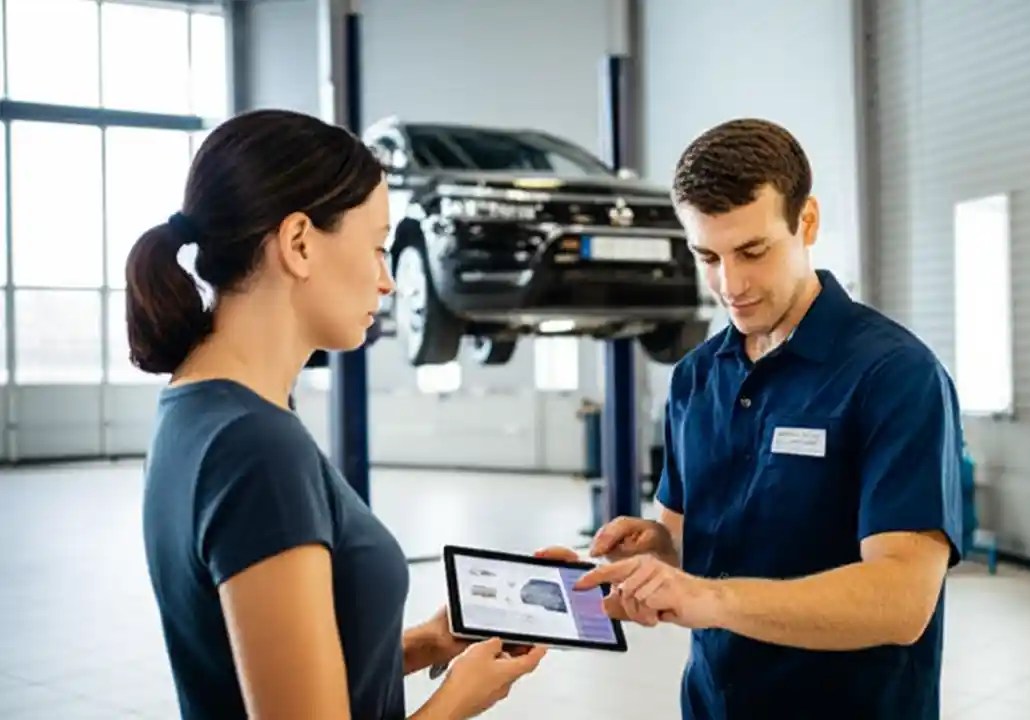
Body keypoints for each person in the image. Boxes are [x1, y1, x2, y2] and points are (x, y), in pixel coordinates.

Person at [128, 108, 546, 720]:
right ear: (299, 243)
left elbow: (261, 674)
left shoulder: (193, 406)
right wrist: (460, 698)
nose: (389, 282)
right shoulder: (256, 446)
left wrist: (426, 643)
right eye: (377, 248)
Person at [540, 118, 964, 719]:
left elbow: (902, 600)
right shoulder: (695, 378)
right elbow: (687, 547)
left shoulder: (894, 376)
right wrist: (651, 557)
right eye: (706, 256)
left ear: (807, 222)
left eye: (752, 251)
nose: (729, 284)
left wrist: (710, 598)